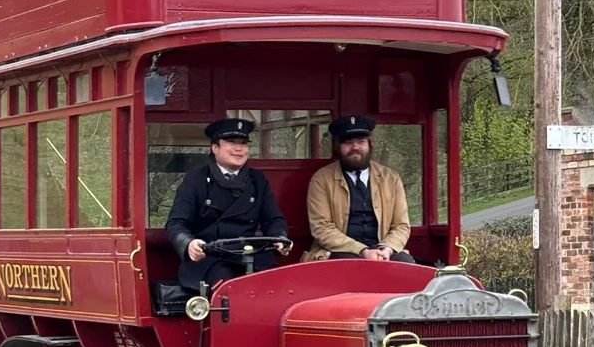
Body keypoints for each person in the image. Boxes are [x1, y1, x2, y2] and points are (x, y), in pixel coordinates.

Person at [165, 118, 289, 292]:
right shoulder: (196, 180)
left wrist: (279, 237)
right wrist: (189, 243)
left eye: (244, 143)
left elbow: (273, 218)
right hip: (210, 259)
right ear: (215, 148)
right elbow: (176, 223)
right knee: (230, 292)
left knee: (278, 290)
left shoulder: (257, 180)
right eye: (231, 142)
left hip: (250, 256)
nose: (239, 149)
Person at [305, 114, 415, 262]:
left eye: (361, 142)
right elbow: (321, 228)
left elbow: (401, 225)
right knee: (342, 268)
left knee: (406, 266)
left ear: (369, 144)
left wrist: (386, 249)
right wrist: (362, 250)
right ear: (338, 147)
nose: (355, 147)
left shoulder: (390, 178)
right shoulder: (322, 179)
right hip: (340, 250)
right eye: (348, 142)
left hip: (383, 250)